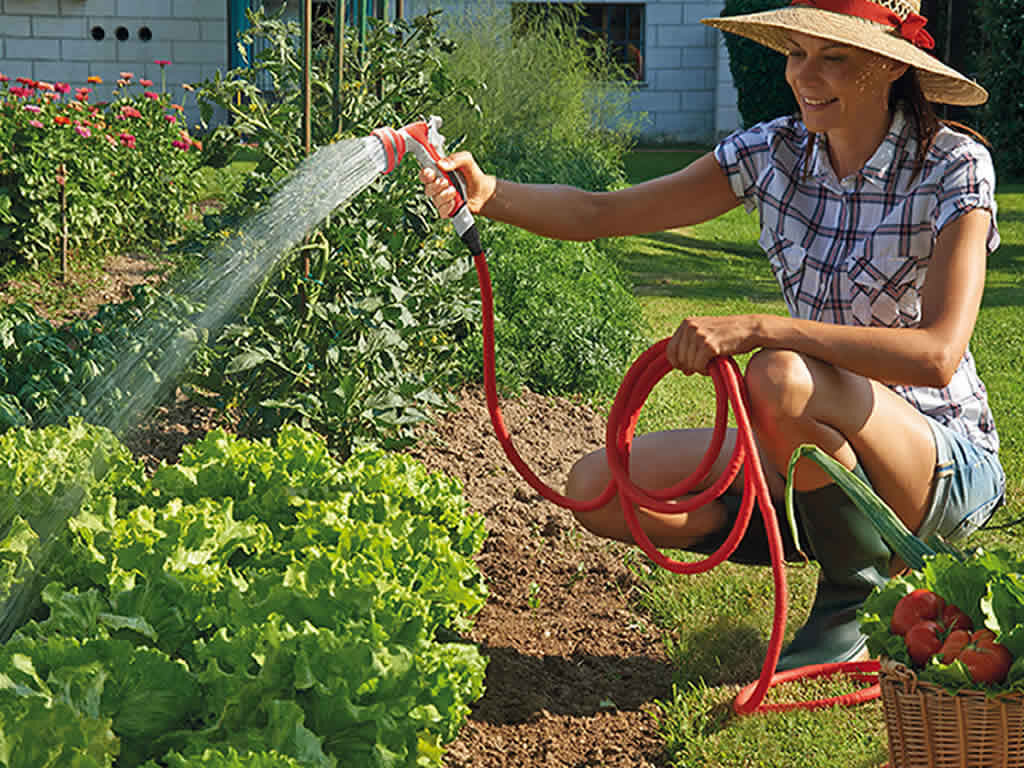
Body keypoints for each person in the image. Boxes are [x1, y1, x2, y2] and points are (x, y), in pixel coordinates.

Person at [419, 0, 1006, 671]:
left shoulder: (951, 164)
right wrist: (490, 193)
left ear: (888, 66)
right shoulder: (773, 154)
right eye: (796, 53)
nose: (804, 75)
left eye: (833, 57)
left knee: (780, 374)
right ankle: (825, 533)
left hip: (937, 457)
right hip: (810, 446)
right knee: (597, 489)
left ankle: (853, 604)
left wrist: (764, 327)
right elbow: (601, 212)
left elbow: (937, 355)